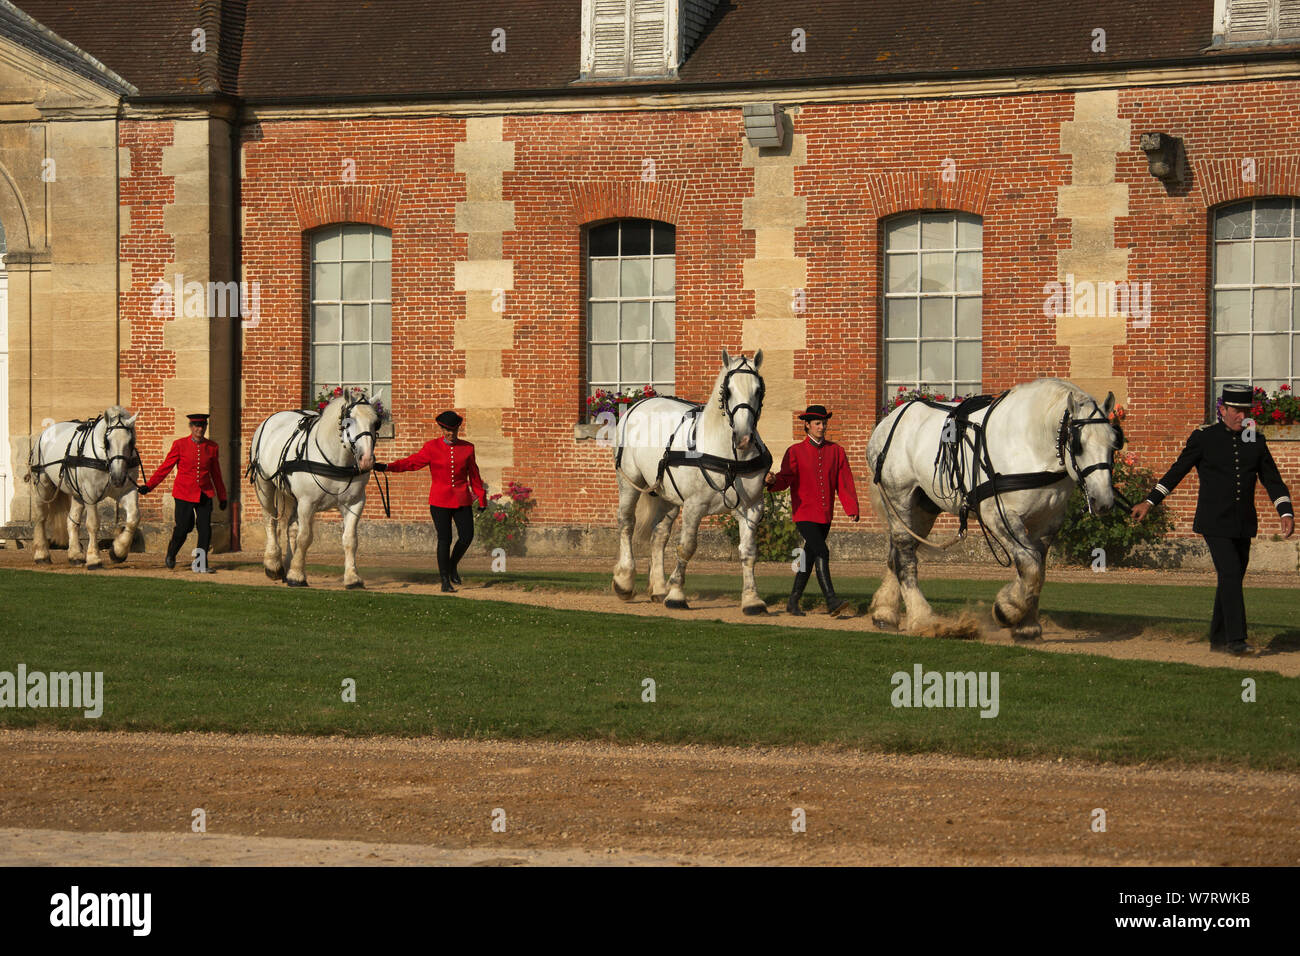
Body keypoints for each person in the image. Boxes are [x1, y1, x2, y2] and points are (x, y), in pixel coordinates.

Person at [1131, 384, 1294, 655]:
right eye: (1236, 411)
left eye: (1245, 411)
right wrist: (1150, 502)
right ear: (1222, 410)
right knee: (1230, 573)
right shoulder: (1203, 438)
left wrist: (1285, 511)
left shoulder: (1256, 439)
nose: (1242, 417)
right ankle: (1236, 640)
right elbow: (1177, 470)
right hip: (1214, 521)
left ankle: (1218, 638)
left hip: (1244, 522)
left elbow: (1272, 480)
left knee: (1231, 579)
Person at [375, 410, 486, 593]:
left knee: (467, 536)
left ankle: (452, 566)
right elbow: (411, 463)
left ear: (458, 429)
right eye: (447, 430)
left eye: (454, 430)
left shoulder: (468, 448)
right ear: (442, 429)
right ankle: (444, 580)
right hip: (439, 500)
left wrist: (481, 498)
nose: (450, 434)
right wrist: (388, 466)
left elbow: (474, 475)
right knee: (445, 539)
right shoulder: (431, 447)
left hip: (461, 499)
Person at [765, 404, 860, 616]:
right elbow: (785, 479)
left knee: (808, 557)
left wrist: (851, 508)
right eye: (817, 423)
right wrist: (772, 481)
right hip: (804, 514)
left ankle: (793, 601)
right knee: (822, 551)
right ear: (807, 425)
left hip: (825, 515)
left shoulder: (837, 451)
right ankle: (832, 601)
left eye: (824, 423)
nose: (822, 427)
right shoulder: (795, 452)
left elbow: (844, 483)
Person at [140, 412, 227, 572]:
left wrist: (222, 496)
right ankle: (171, 553)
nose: (199, 429)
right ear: (191, 427)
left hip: (204, 494)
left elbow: (216, 473)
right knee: (184, 528)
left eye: (202, 426)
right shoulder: (179, 444)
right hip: (184, 493)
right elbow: (165, 468)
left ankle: (200, 564)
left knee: (205, 530)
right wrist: (149, 486)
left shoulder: (212, 447)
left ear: (205, 427)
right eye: (196, 426)